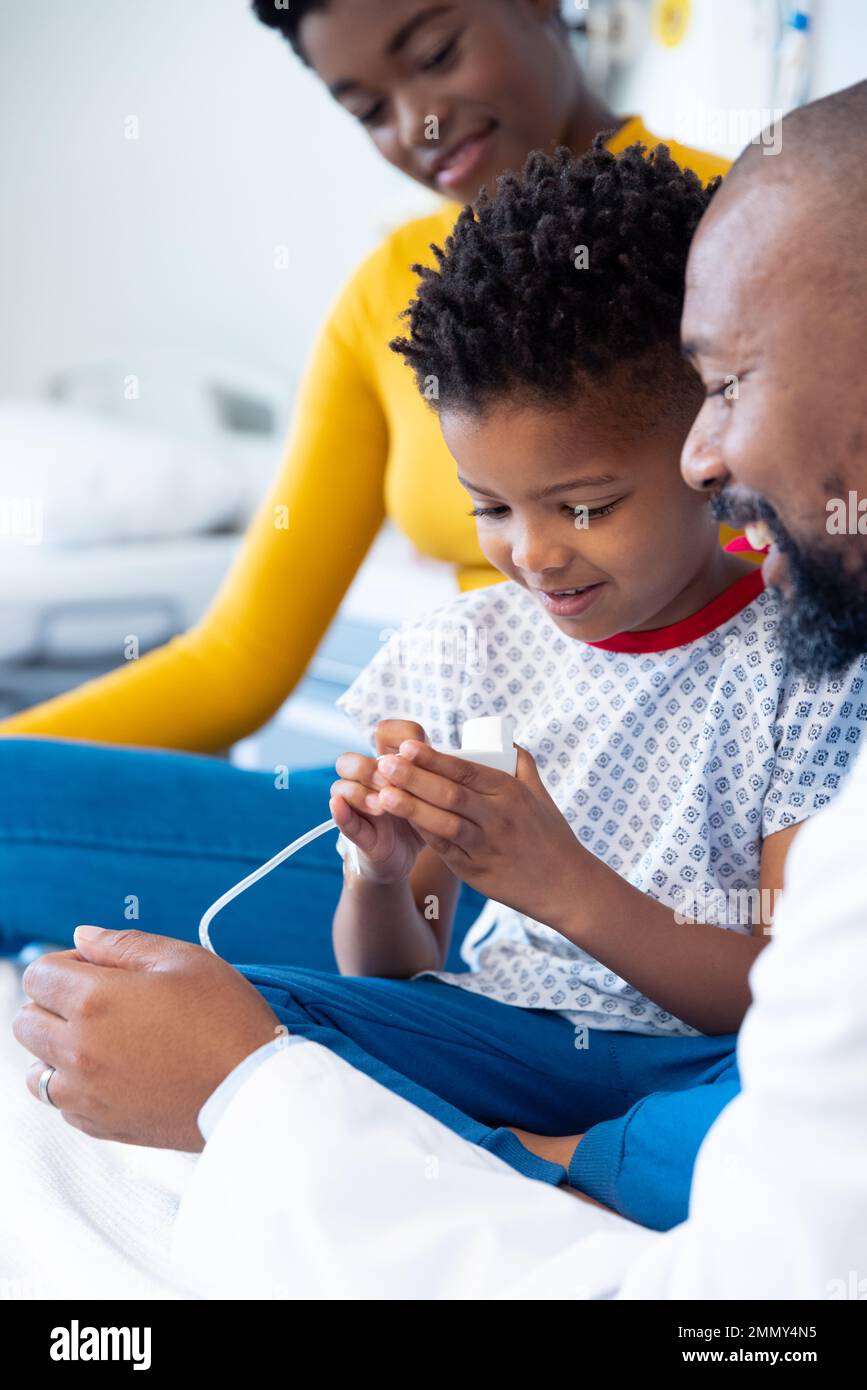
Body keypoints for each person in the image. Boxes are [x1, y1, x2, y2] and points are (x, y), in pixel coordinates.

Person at [13, 135, 866, 1246]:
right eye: (491, 508)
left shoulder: (803, 658)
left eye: (586, 504)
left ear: (702, 447)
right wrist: (380, 874)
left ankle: (530, 1159)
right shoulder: (463, 649)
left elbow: (778, 1000)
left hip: (696, 1053)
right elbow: (404, 967)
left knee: (760, 1115)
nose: (536, 554)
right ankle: (496, 1144)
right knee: (251, 1013)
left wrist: (565, 884)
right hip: (499, 1028)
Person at [0, 0, 735, 966]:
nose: (415, 125)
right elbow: (238, 660)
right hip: (449, 820)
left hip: (665, 843)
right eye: (364, 109)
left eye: (436, 54)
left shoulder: (750, 232)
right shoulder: (391, 290)